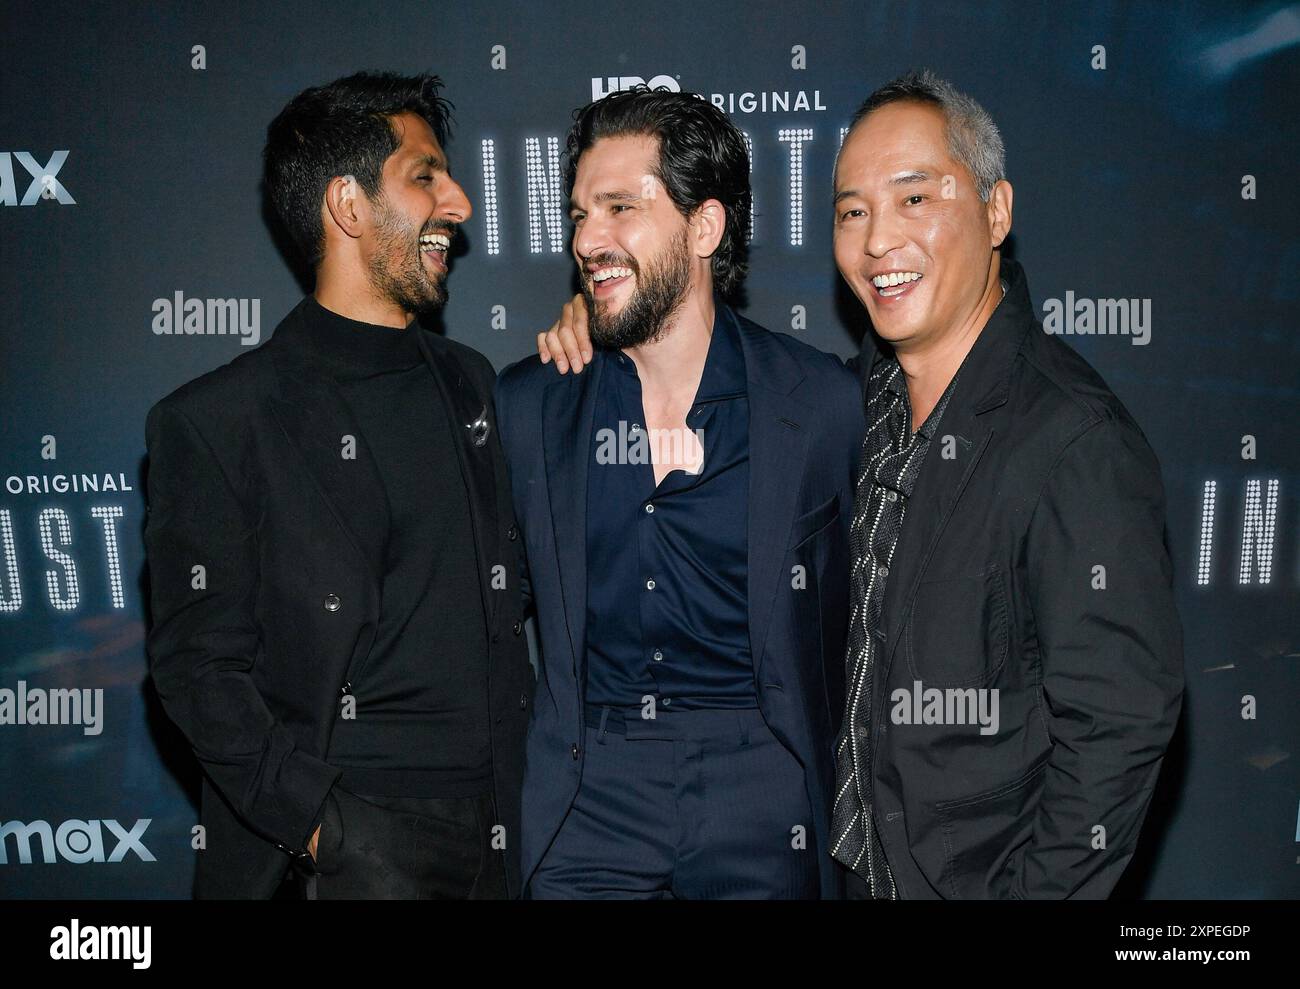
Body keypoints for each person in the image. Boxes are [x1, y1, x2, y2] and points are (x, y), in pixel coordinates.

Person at [537, 70, 1184, 899]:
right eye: (852, 212)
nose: (879, 240)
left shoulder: (1072, 439)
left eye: (914, 198)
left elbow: (1119, 728)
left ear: (996, 211)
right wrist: (608, 321)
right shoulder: (852, 402)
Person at [144, 71, 533, 899]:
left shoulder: (474, 384)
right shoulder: (218, 421)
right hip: (347, 844)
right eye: (426, 176)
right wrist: (325, 828)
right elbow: (196, 667)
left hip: (503, 831)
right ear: (348, 206)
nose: (460, 203)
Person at [495, 87, 863, 898]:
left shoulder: (819, 403)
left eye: (620, 208)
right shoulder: (532, 406)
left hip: (763, 792)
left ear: (704, 227)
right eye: (580, 212)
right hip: (590, 795)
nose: (587, 238)